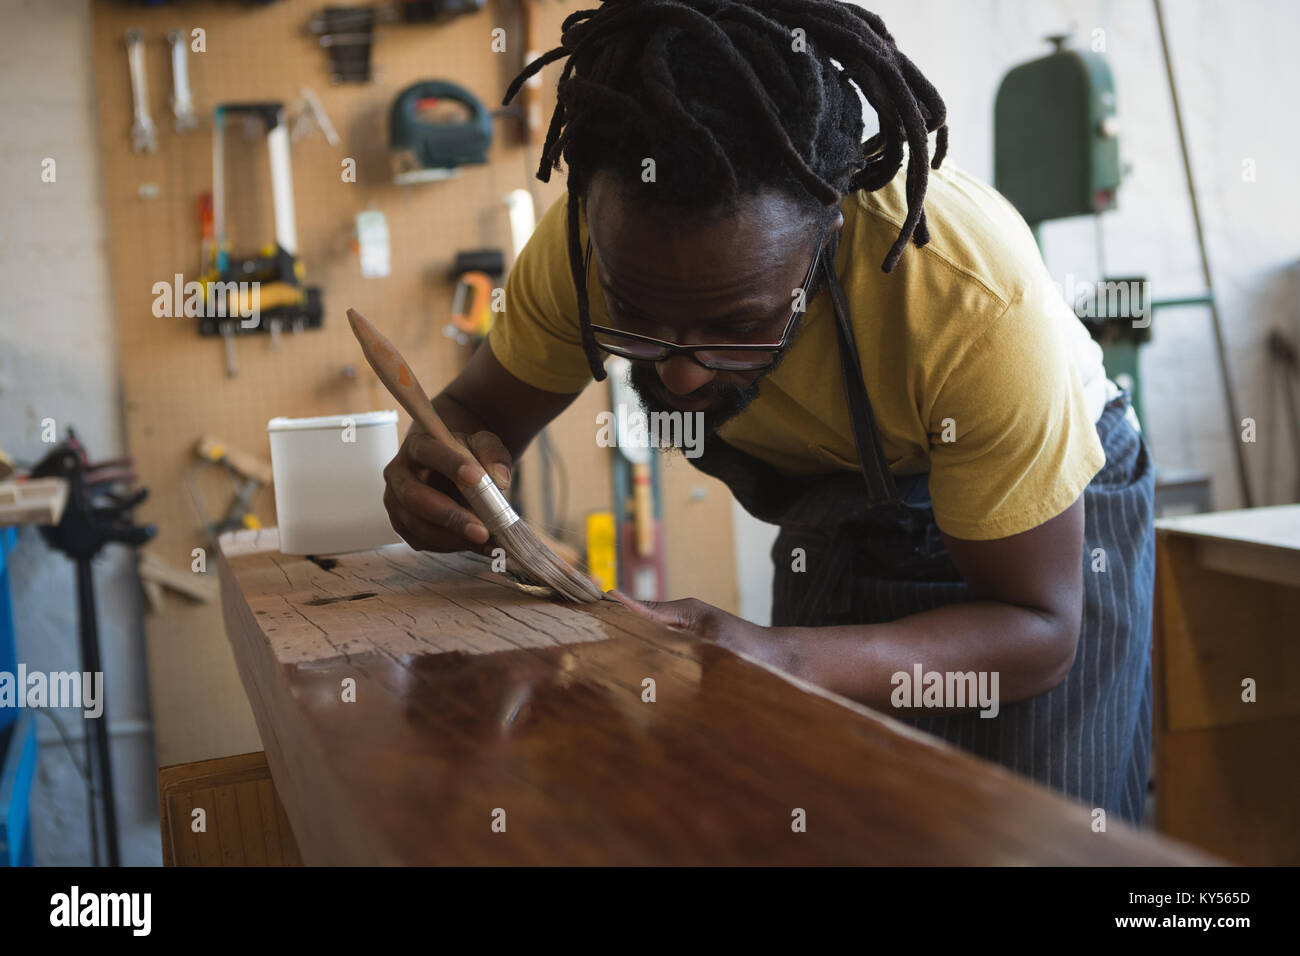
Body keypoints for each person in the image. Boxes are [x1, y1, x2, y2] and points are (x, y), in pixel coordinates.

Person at [381, 0, 1155, 823]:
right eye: (637, 316)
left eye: (739, 325)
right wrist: (440, 465)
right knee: (819, 819)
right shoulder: (583, 253)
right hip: (847, 504)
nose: (678, 378)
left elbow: (1036, 630)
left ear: (830, 225)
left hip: (1043, 532)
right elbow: (472, 411)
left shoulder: (969, 303)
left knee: (1032, 834)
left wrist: (781, 653)